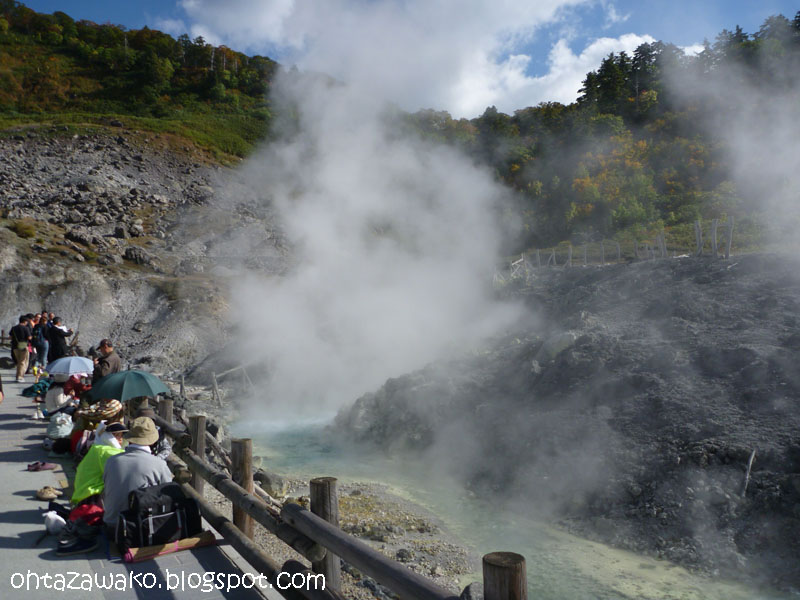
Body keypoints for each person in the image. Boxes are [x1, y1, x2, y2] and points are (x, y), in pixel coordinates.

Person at [101, 417, 173, 531]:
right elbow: (169, 496)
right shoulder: (158, 464)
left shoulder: (111, 461)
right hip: (137, 529)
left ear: (129, 438)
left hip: (110, 523)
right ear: (153, 440)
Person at [71, 422, 126, 506]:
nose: (121, 439)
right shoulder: (107, 452)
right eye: (117, 435)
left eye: (122, 435)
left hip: (83, 494)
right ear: (108, 437)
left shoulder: (96, 447)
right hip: (91, 497)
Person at [10, 315, 32, 382]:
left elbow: (10, 336)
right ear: (25, 321)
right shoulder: (25, 328)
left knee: (19, 362)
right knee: (23, 362)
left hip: (14, 346)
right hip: (23, 346)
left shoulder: (13, 328)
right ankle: (20, 377)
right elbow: (29, 337)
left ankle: (19, 376)